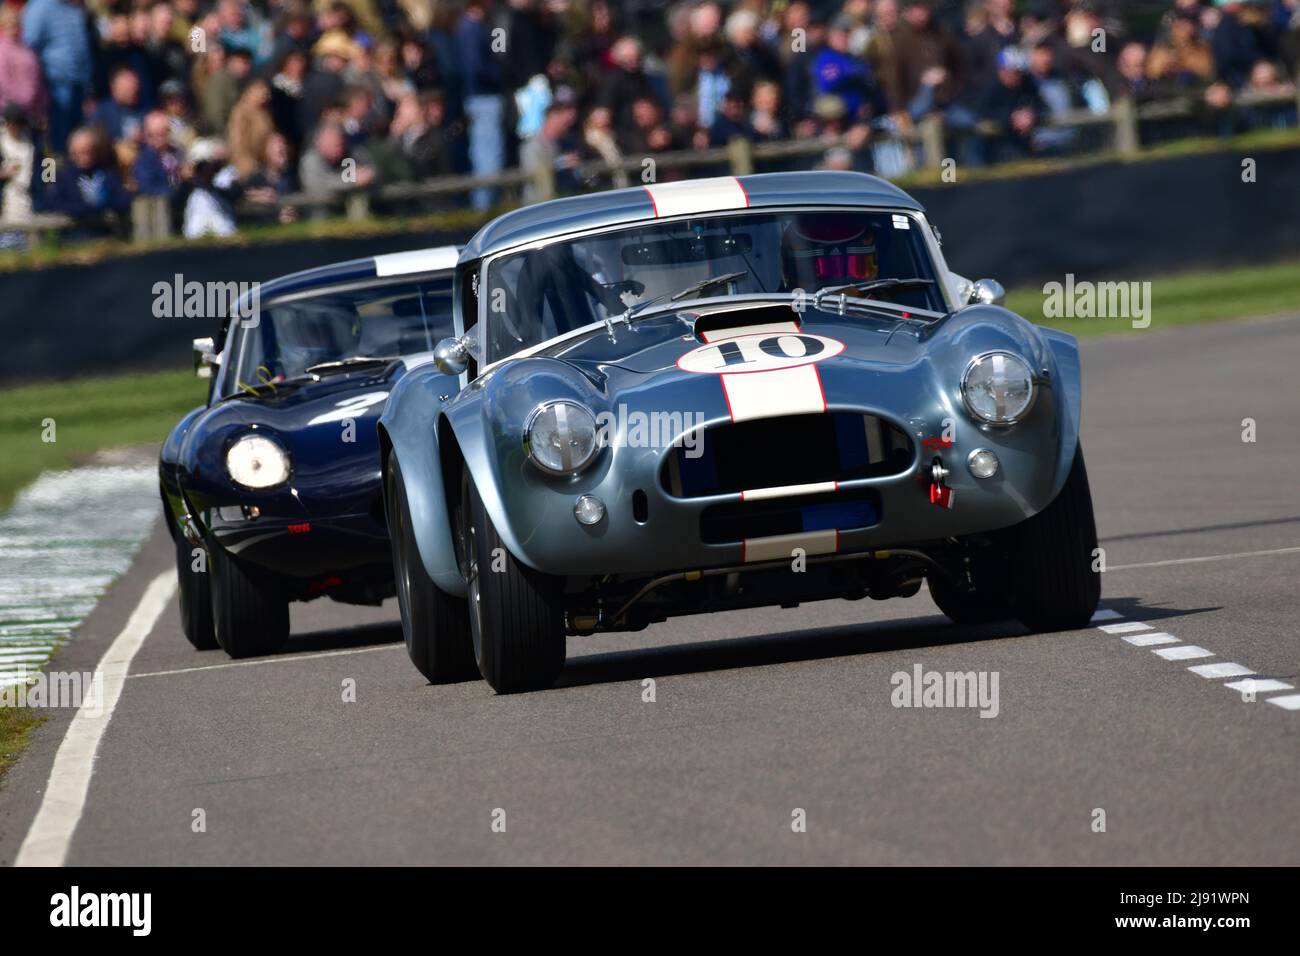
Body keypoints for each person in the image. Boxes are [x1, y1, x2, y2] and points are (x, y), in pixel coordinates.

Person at [21, 0, 93, 152]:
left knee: (75, 135)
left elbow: (82, 46)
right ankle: (54, 165)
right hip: (55, 83)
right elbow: (29, 44)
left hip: (78, 83)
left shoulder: (73, 7)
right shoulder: (40, 7)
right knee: (57, 137)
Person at [0, 7, 45, 121]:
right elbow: (3, 82)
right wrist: (22, 100)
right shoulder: (2, 51)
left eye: (17, 25)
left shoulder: (28, 50)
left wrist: (41, 105)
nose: (14, 30)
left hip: (32, 111)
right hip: (11, 112)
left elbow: (37, 79)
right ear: (2, 28)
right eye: (10, 26)